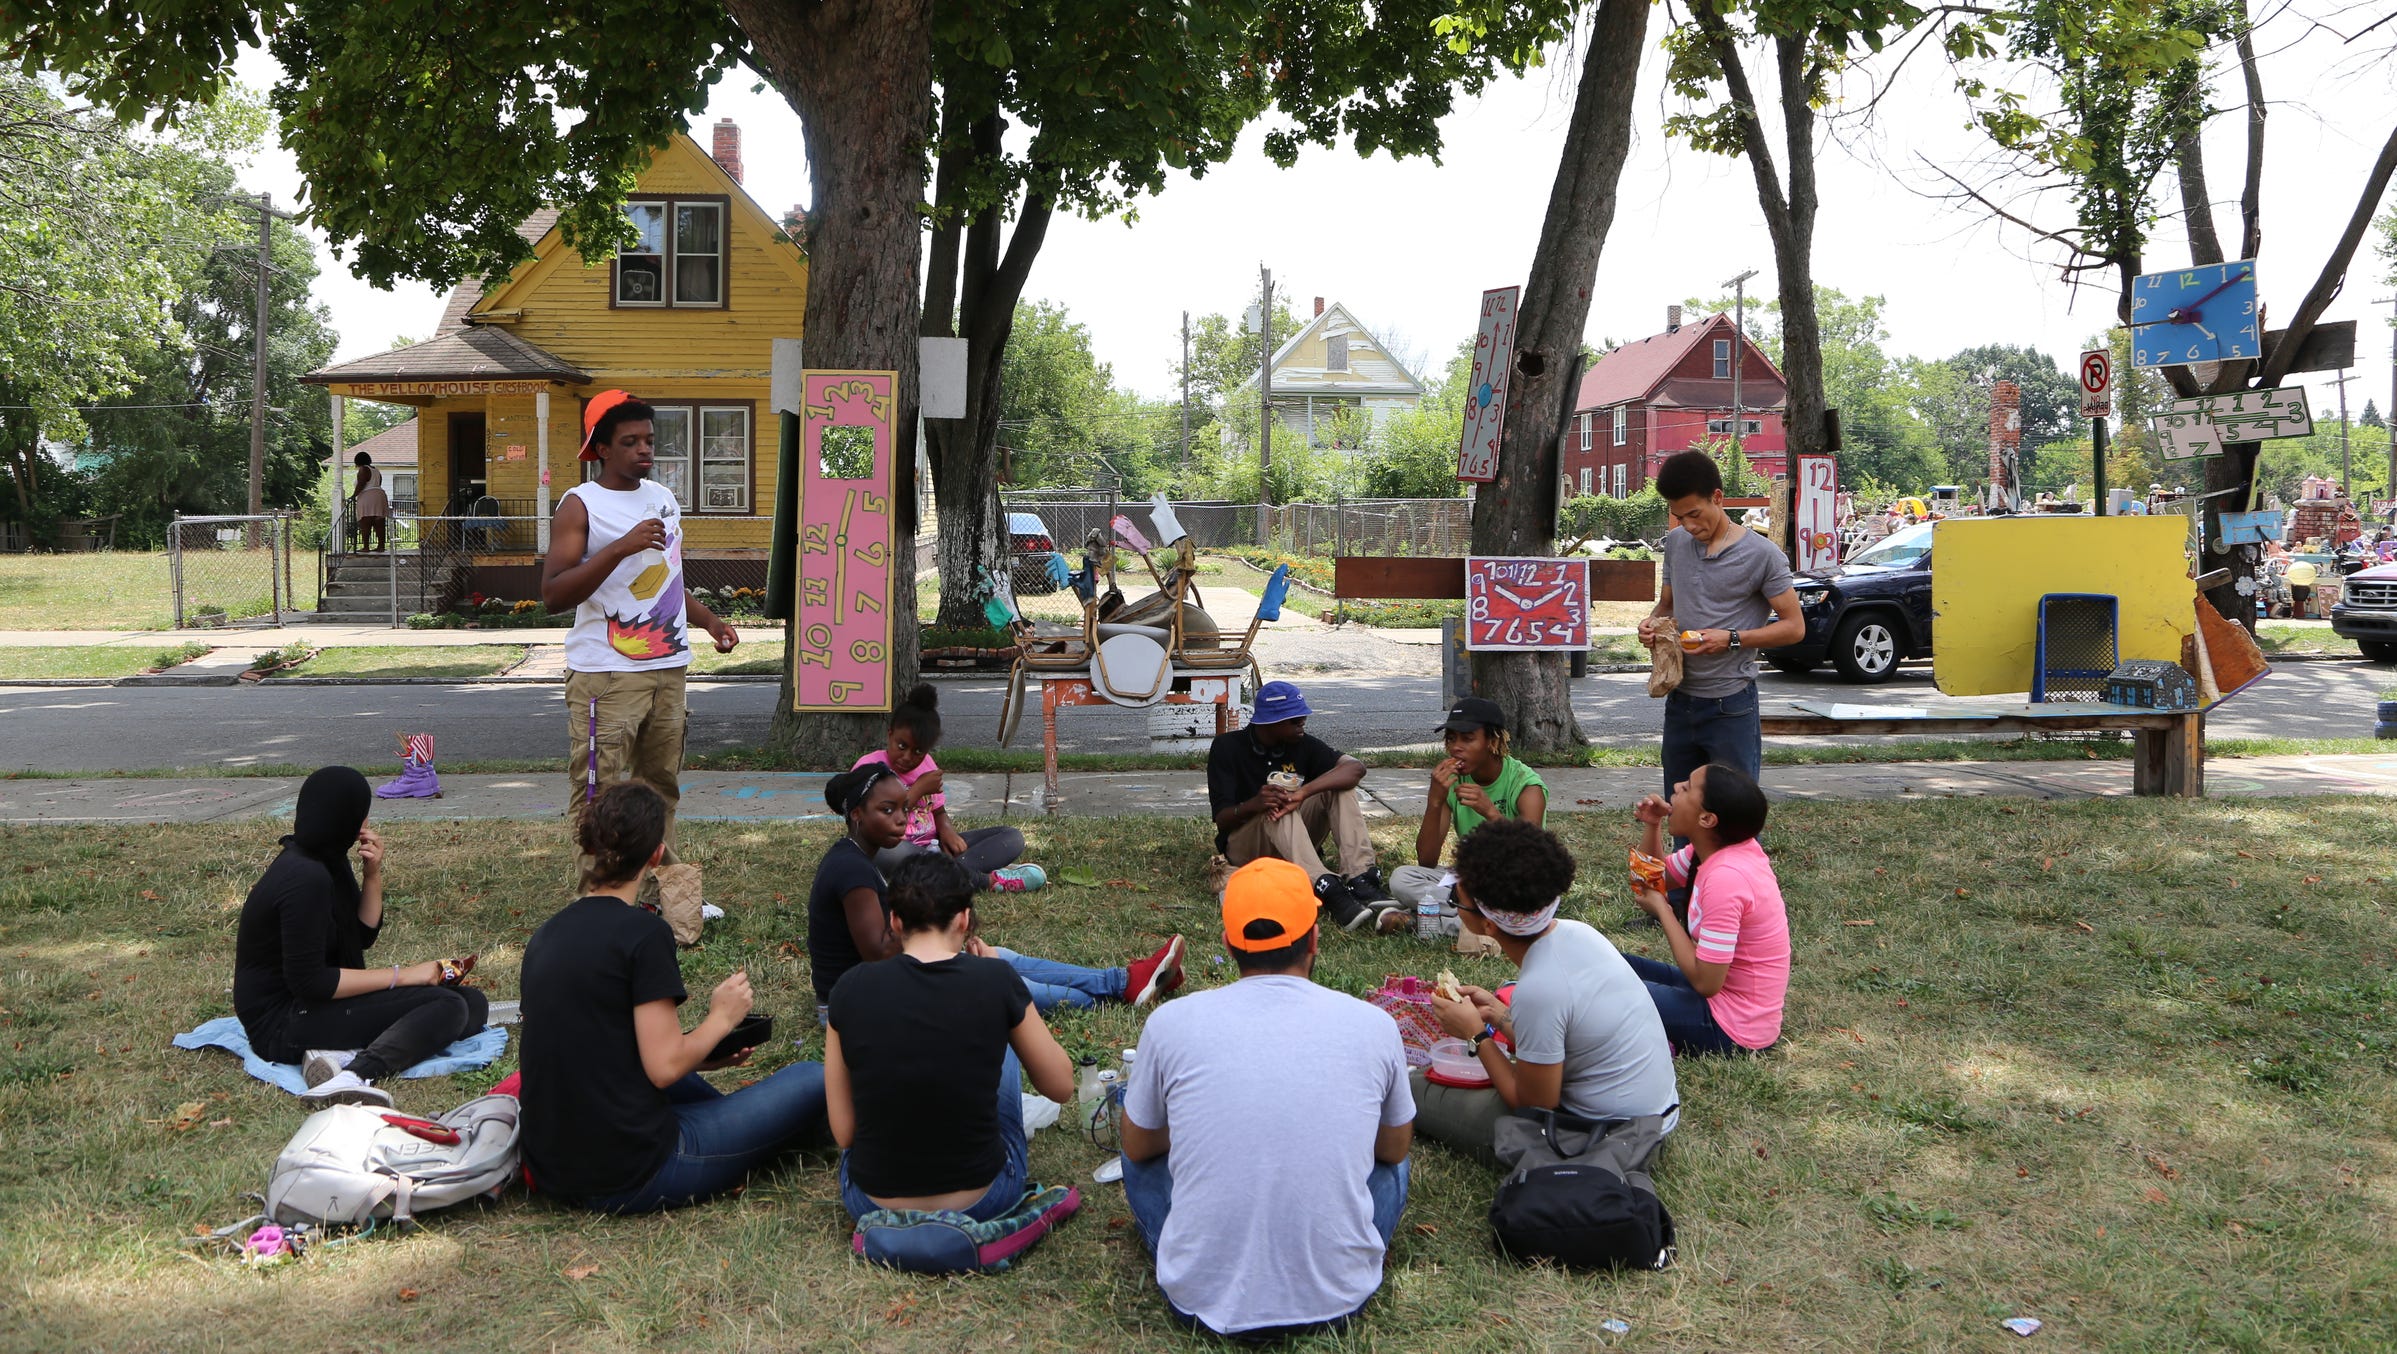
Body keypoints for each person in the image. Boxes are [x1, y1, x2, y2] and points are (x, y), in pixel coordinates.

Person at [1118, 858, 1415, 1340]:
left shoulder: (1170, 1024)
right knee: (1390, 1164)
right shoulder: (1375, 1025)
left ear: (1228, 943)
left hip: (1200, 1300)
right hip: (1338, 1297)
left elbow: (1138, 1149)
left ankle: (1190, 1251)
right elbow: (1394, 1151)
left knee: (1137, 1155)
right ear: (1315, 939)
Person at [518, 782, 826, 1213]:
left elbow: (599, 1045)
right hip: (632, 1173)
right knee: (814, 1077)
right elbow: (662, 1069)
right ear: (657, 855)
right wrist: (721, 1018)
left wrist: (702, 1057)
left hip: (552, 1168)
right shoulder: (644, 934)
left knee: (723, 1097)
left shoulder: (546, 934)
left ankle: (764, 1127)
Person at [541, 389, 741, 877]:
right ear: (601, 448)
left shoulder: (664, 499)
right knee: (601, 793)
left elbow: (664, 580)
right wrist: (619, 548)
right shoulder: (580, 504)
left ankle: (658, 893)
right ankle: (599, 898)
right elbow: (552, 594)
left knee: (659, 787)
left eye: (650, 439)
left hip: (668, 667)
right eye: (630, 441)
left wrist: (709, 620)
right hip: (607, 675)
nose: (645, 449)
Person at [808, 767, 1183, 1020]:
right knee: (997, 978)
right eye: (886, 810)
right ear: (857, 815)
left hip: (876, 985)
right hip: (857, 1005)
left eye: (904, 809)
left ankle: (1121, 981)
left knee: (1001, 958)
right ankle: (1122, 989)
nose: (901, 819)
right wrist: (946, 945)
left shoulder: (859, 858)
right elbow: (877, 951)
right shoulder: (852, 869)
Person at [1414, 819, 1679, 1167]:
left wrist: (1476, 1035)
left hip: (1609, 1138)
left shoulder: (1540, 990)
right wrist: (1500, 1014)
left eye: (1456, 899)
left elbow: (1532, 1104)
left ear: (1488, 924)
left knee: (1411, 1088)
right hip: (1655, 1118)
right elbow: (1571, 1041)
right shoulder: (1579, 933)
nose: (1454, 901)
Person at [826, 854, 1077, 1223]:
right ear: (963, 919)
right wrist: (1007, 992)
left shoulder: (848, 989)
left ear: (894, 921)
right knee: (1000, 1024)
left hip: (872, 1201)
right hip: (984, 1197)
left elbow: (845, 1134)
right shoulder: (996, 980)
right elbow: (1061, 1086)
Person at [232, 766, 487, 1108]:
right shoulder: (303, 877)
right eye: (362, 815)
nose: (365, 824)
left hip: (314, 1006)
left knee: (472, 1004)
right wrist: (405, 976)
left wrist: (373, 873)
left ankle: (331, 1052)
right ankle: (354, 1074)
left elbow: (362, 935)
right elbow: (311, 983)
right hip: (280, 1022)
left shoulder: (328, 861)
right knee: (446, 1006)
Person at [1636, 450, 1804, 800]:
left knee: (1732, 816)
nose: (1689, 526)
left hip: (1731, 705)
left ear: (1717, 497)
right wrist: (1652, 626)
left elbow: (1794, 627)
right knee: (1680, 812)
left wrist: (1731, 639)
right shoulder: (1678, 543)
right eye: (1679, 517)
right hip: (1680, 700)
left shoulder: (1763, 555)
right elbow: (1667, 606)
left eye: (1695, 514)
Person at [1205, 679, 1399, 932]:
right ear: (1270, 722)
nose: (1302, 723)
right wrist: (1255, 804)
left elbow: (1355, 769)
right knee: (1276, 806)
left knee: (1336, 787)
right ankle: (1326, 886)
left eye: (1302, 717)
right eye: (1294, 720)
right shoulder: (1227, 747)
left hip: (1296, 844)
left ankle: (1360, 876)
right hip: (1247, 848)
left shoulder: (1303, 743)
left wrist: (1303, 793)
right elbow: (1223, 819)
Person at [1629, 765, 1789, 1056]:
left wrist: (1663, 911)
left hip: (1732, 1028)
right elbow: (1647, 882)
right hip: (1714, 1002)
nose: (1676, 787)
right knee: (1605, 963)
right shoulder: (1712, 851)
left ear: (1707, 818)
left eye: (1687, 787)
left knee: (1603, 990)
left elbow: (1706, 983)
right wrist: (1652, 825)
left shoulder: (1727, 877)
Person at [1390, 696, 1548, 951]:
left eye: (1467, 738)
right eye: (1451, 738)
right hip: (1469, 879)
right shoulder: (1453, 782)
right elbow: (1427, 860)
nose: (1456, 748)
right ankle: (1473, 916)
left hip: (1514, 878)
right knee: (1402, 878)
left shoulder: (1526, 784)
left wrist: (1490, 812)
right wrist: (1435, 801)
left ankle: (1425, 920)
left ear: (1493, 741)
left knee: (1530, 897)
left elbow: (1533, 855)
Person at [852, 684, 1043, 892]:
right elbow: (873, 819)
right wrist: (918, 789)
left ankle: (940, 874)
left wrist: (947, 831)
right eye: (901, 746)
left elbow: (938, 811)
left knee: (1011, 837)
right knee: (883, 850)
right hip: (894, 847)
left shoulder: (927, 765)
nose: (907, 757)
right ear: (890, 735)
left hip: (933, 849)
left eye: (918, 751)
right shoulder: (869, 767)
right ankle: (987, 881)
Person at [350, 451, 389, 552]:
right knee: (379, 522)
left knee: (365, 521)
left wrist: (354, 495)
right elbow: (378, 483)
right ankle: (381, 546)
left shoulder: (363, 469)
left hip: (367, 496)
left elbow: (361, 483)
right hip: (380, 495)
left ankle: (366, 546)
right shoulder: (376, 470)